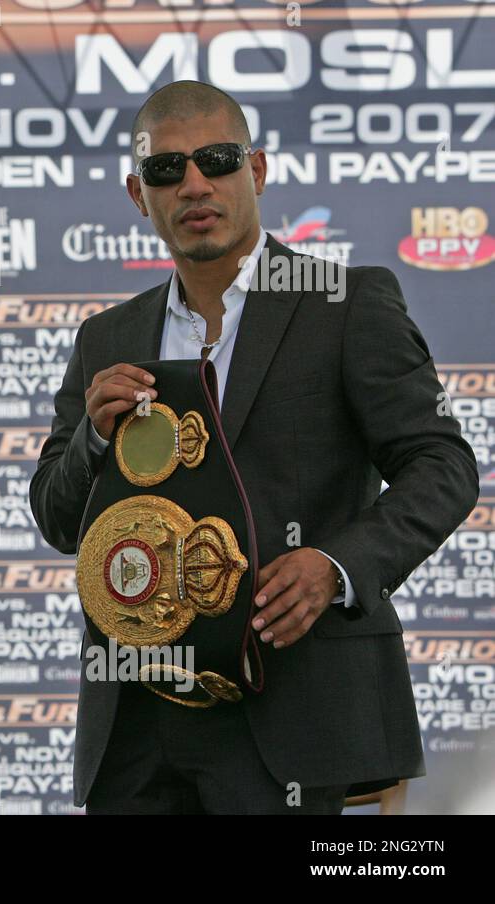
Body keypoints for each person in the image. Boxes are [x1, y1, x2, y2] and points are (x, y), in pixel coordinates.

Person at [30, 80, 479, 814]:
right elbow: (57, 518)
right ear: (139, 195)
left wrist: (334, 566)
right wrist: (90, 441)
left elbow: (444, 467)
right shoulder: (106, 338)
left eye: (217, 159)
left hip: (300, 712)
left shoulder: (348, 302)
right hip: (139, 724)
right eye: (168, 171)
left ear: (257, 171)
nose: (195, 185)